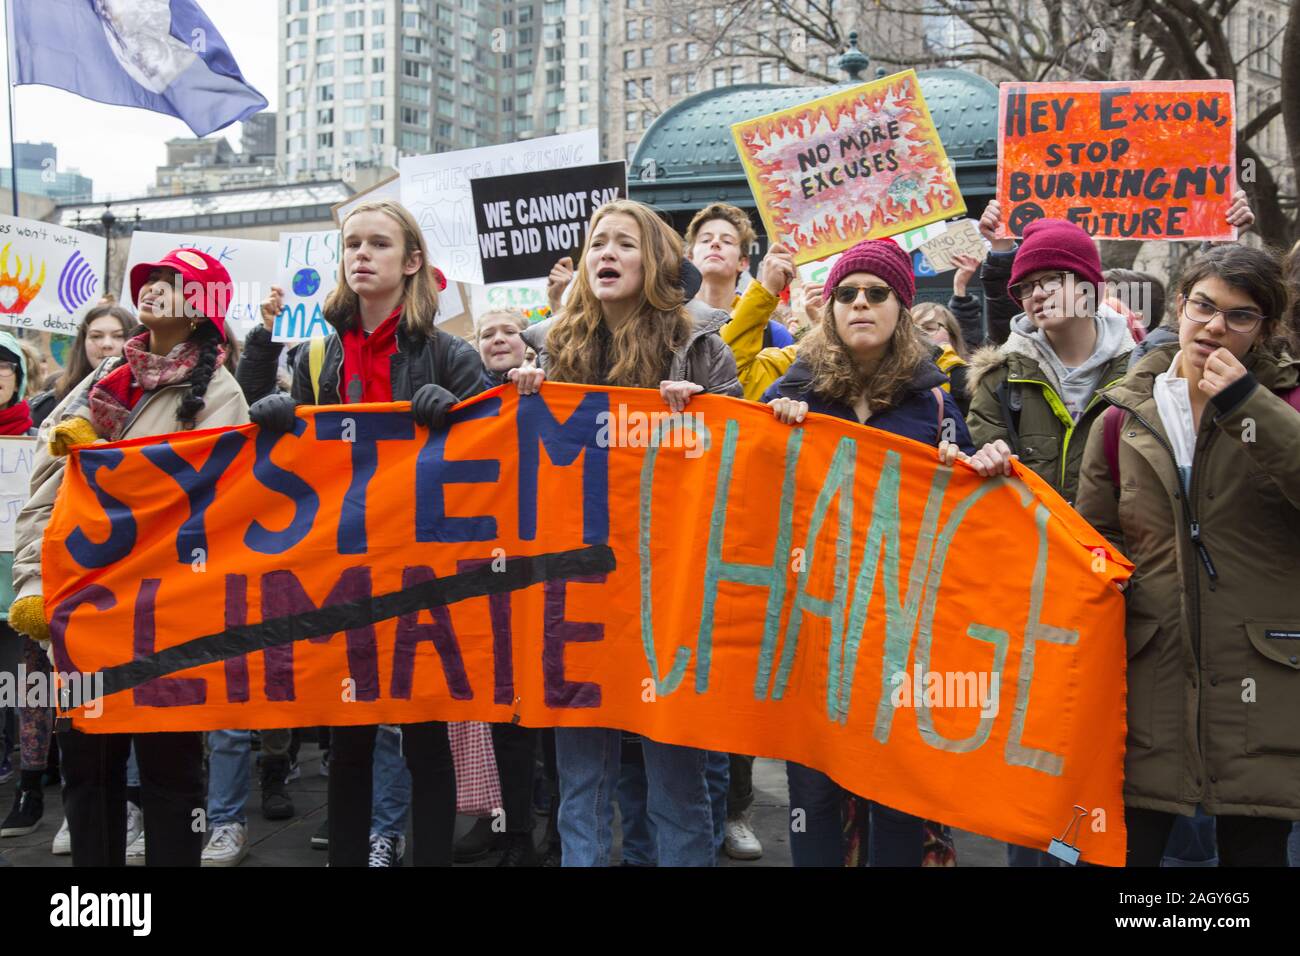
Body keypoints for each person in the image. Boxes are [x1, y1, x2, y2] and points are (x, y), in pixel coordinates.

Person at [243, 198, 484, 867]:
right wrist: (278, 420)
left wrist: (458, 417)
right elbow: (299, 465)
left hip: (423, 570)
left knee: (424, 734)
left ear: (412, 263)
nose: (361, 255)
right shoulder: (318, 357)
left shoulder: (448, 354)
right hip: (343, 568)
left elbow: (497, 456)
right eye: (352, 244)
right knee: (346, 737)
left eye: (378, 243)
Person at [761, 237, 1015, 866]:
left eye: (877, 293)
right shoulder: (792, 393)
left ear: (902, 308)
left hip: (905, 625)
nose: (860, 304)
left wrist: (985, 464)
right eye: (846, 294)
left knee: (898, 790)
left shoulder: (935, 399)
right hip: (815, 625)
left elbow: (965, 492)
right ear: (830, 310)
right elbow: (749, 497)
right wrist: (772, 435)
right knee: (814, 793)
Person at [515, 198, 741, 867]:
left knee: (676, 779)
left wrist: (706, 417)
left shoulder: (701, 348)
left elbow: (738, 464)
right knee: (582, 780)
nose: (606, 253)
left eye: (624, 243)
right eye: (597, 243)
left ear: (656, 262)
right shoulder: (547, 350)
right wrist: (524, 400)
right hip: (576, 591)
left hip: (670, 592)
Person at [7, 248, 249, 866]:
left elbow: (210, 504)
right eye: (150, 280)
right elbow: (45, 489)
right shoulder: (103, 377)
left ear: (202, 308)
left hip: (161, 608)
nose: (153, 290)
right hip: (82, 601)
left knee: (170, 775)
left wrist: (109, 469)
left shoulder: (220, 392)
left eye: (173, 284)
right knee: (89, 772)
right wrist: (34, 580)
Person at [1076, 243, 1300, 867]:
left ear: (1266, 329)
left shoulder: (1287, 405)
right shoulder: (1123, 416)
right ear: (1181, 304)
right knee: (1130, 854)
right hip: (1151, 676)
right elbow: (1096, 537)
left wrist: (1247, 404)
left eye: (1241, 315)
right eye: (1204, 305)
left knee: (1254, 853)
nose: (1215, 326)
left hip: (1266, 676)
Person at [966, 215, 1135, 505]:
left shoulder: (1141, 375)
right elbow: (980, 483)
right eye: (1027, 286)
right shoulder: (1000, 379)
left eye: (1053, 279)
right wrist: (983, 459)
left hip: (1113, 549)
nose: (1038, 294)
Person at [0, 331, 45, 838]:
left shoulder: (43, 431)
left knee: (28, 687)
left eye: (2, 368)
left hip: (24, 579)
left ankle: (31, 785)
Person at [28, 305, 134, 428]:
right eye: (96, 336)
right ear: (82, 342)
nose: (106, 344)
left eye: (118, 336)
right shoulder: (50, 405)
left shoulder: (149, 401)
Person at [911, 301, 971, 415]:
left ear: (952, 336)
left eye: (929, 328)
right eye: (912, 329)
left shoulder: (968, 378)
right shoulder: (892, 379)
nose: (919, 334)